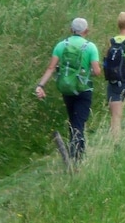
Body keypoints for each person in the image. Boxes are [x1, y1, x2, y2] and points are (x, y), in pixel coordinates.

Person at [35, 18, 101, 161]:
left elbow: (51, 68)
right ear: (86, 31)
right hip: (84, 89)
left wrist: (40, 86)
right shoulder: (90, 47)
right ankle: (76, 158)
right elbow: (97, 71)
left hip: (66, 89)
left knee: (73, 121)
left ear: (71, 30)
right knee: (79, 123)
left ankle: (74, 155)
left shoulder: (61, 45)